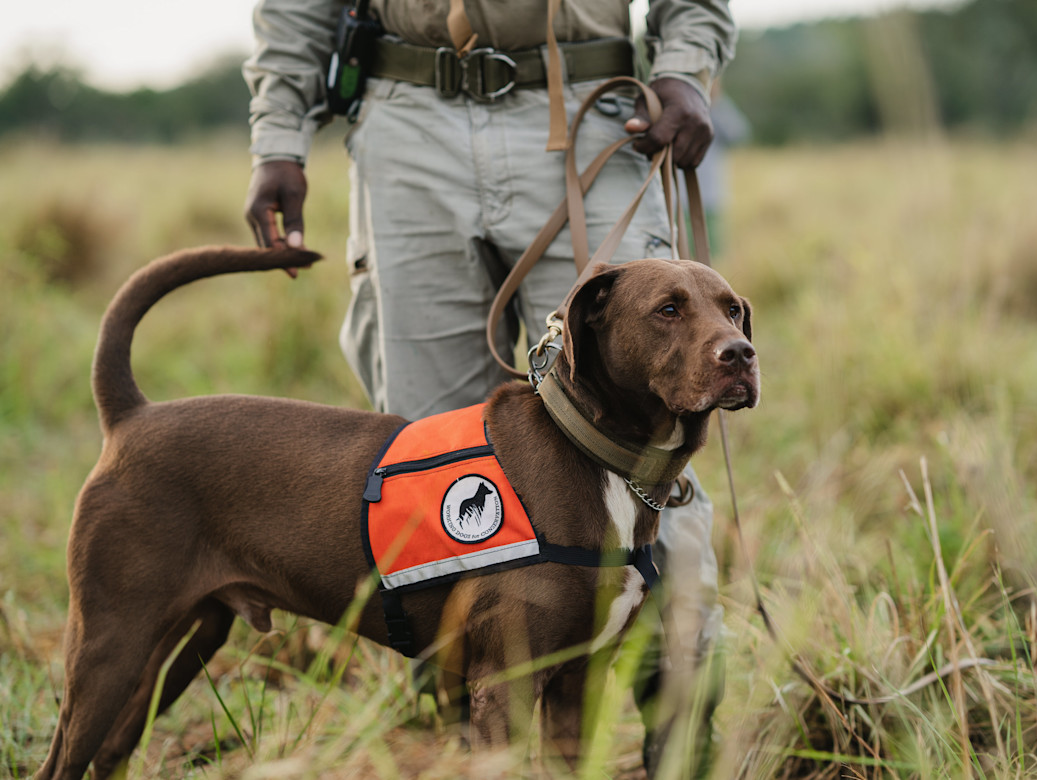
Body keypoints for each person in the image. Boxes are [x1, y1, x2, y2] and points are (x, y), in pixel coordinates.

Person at [242, 1, 736, 774]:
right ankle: (459, 750)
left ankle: (683, 749)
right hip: (405, 116)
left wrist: (684, 68)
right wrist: (278, 133)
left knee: (645, 434)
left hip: (589, 106)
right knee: (427, 475)